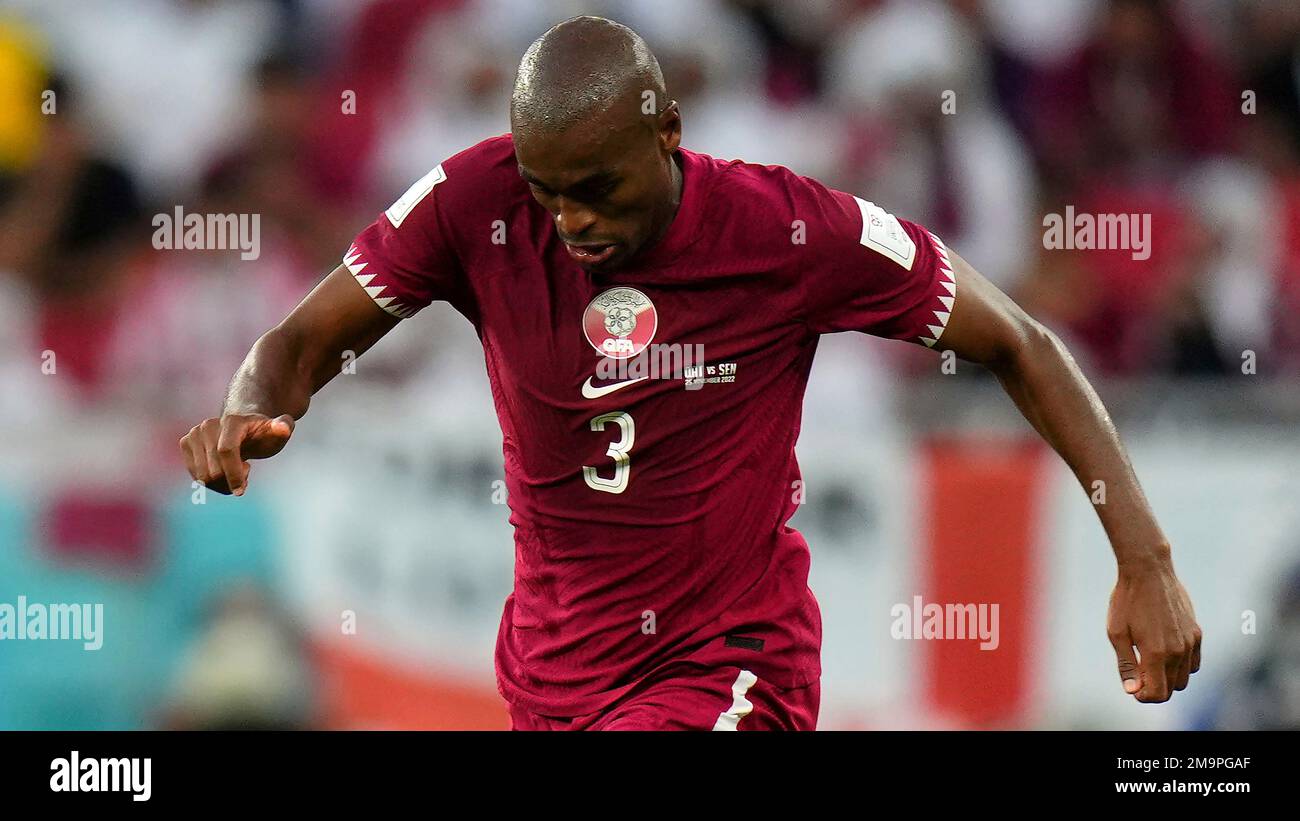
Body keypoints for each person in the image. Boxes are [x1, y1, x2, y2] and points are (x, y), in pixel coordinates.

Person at [179, 16, 1201, 730]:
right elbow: (299, 344)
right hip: (551, 675)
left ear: (667, 134)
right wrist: (246, 408)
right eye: (548, 194)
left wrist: (1145, 558)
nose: (570, 219)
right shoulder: (470, 201)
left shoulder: (791, 229)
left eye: (595, 188)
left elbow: (1019, 340)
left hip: (726, 660)